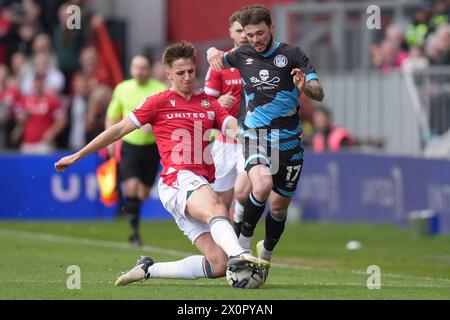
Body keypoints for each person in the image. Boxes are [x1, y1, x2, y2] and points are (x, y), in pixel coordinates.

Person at [54, 41, 270, 286]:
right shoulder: (158, 102)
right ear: (167, 74)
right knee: (218, 209)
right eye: (180, 73)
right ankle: (241, 254)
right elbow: (118, 130)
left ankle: (149, 269)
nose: (187, 77)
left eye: (191, 71)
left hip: (197, 183)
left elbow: (229, 125)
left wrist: (240, 134)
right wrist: (77, 155)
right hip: (177, 180)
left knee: (218, 264)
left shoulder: (209, 103)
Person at [207, 4, 324, 262]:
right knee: (261, 186)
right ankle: (243, 248)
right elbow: (218, 59)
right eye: (250, 35)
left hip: (290, 143)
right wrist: (211, 51)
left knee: (279, 207)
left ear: (271, 28)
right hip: (255, 136)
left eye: (260, 33)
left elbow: (319, 91)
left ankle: (267, 253)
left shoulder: (292, 55)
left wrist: (306, 87)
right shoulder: (241, 54)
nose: (255, 40)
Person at [105, 54, 167, 246]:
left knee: (144, 193)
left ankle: (134, 214)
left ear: (149, 70)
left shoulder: (160, 89)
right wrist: (110, 141)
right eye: (136, 67)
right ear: (131, 69)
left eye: (143, 67)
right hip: (129, 144)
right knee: (131, 186)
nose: (139, 71)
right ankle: (134, 232)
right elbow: (112, 116)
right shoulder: (122, 89)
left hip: (152, 147)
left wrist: (155, 124)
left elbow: (168, 117)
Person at [204, 10, 252, 236]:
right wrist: (217, 101)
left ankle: (240, 230)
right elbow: (203, 104)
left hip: (254, 137)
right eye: (239, 30)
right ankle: (226, 237)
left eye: (247, 30)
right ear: (230, 32)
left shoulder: (263, 62)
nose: (244, 35)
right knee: (221, 197)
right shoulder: (219, 63)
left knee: (243, 192)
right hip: (225, 140)